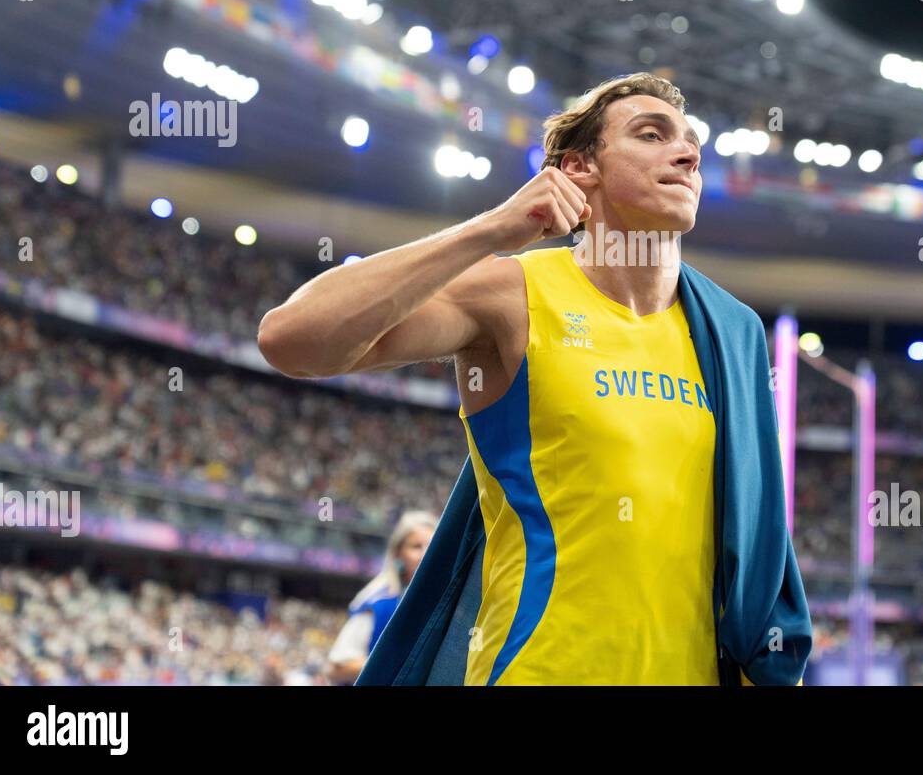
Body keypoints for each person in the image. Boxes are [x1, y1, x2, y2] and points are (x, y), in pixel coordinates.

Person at [259, 72, 810, 685]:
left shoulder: (732, 333)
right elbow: (294, 339)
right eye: (651, 135)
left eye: (690, 144)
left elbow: (756, 560)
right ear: (579, 168)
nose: (686, 153)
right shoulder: (512, 295)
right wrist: (491, 229)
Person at [327, 510, 436, 685]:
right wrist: (398, 662)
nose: (425, 554)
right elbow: (336, 668)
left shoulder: (441, 604)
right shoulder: (379, 603)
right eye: (416, 546)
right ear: (398, 553)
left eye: (432, 546)